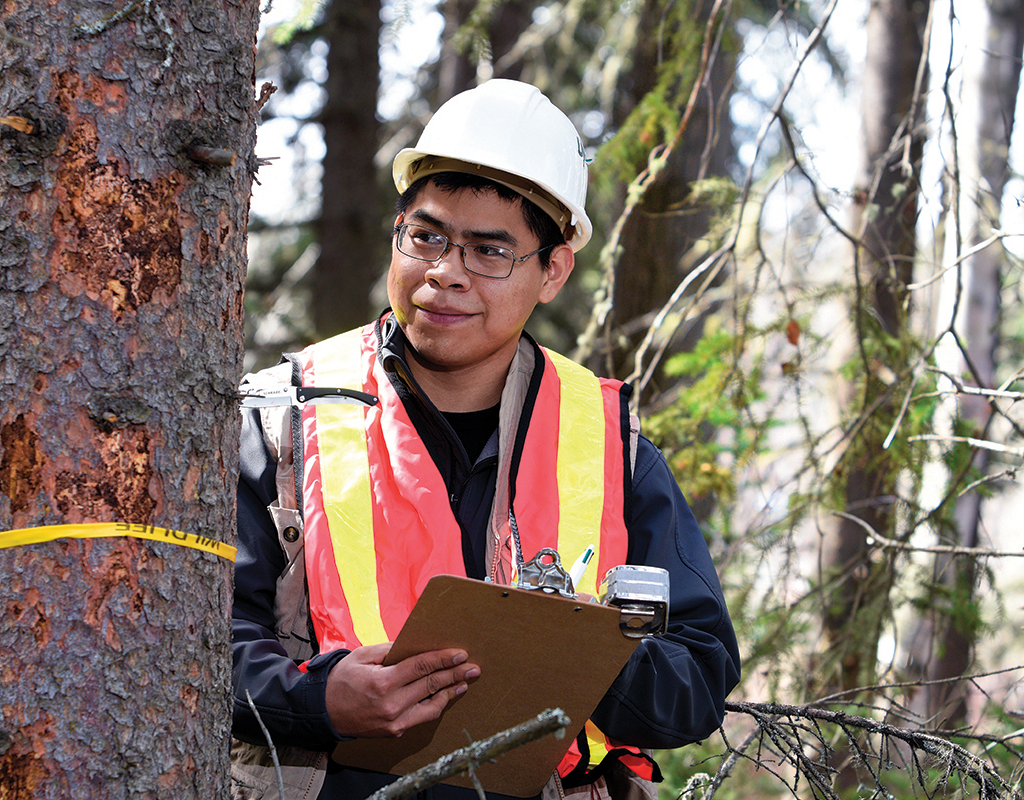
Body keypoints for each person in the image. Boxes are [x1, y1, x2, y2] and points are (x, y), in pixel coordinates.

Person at [230, 79, 740, 800]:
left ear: (553, 271)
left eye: (489, 251)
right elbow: (191, 640)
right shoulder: (280, 418)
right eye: (426, 237)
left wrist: (576, 654)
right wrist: (316, 699)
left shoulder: (609, 451)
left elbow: (699, 678)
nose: (445, 273)